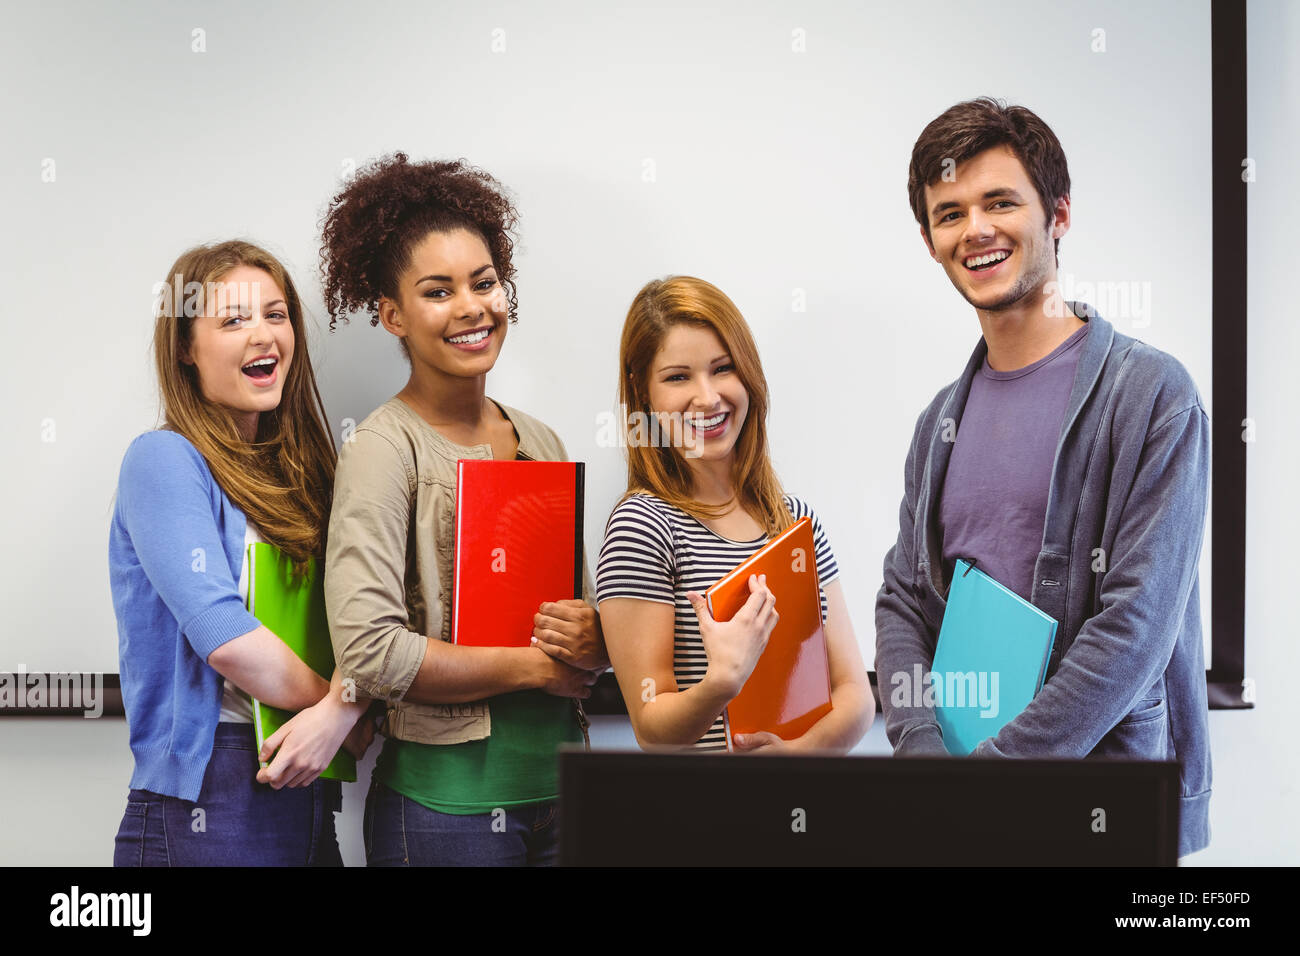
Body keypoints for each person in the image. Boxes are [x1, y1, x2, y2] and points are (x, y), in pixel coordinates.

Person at [876, 96, 1212, 856]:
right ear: (930, 241)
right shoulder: (939, 423)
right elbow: (903, 598)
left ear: (1058, 213)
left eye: (1000, 202)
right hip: (963, 803)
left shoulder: (1154, 396)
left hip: (1099, 809)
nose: (976, 230)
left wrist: (995, 781)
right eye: (950, 212)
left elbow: (1135, 629)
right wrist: (927, 753)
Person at [318, 153, 606, 867]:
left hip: (570, 791)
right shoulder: (384, 450)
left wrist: (596, 635)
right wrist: (533, 669)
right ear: (392, 316)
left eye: (484, 283)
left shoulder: (541, 440)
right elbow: (369, 651)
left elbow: (588, 628)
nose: (472, 306)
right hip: (445, 813)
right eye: (438, 291)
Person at [109, 240, 374, 866]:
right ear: (185, 350)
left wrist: (340, 713)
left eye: (276, 314)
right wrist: (338, 710)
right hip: (211, 792)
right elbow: (224, 635)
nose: (264, 335)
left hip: (306, 784)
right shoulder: (164, 459)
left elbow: (365, 620)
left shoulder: (305, 477)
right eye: (233, 320)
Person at [596, 276, 873, 752]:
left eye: (722, 368)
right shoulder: (642, 527)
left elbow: (857, 697)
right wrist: (722, 681)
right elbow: (652, 728)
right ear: (644, 394)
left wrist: (793, 756)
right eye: (678, 377)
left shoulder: (796, 521)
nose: (707, 398)